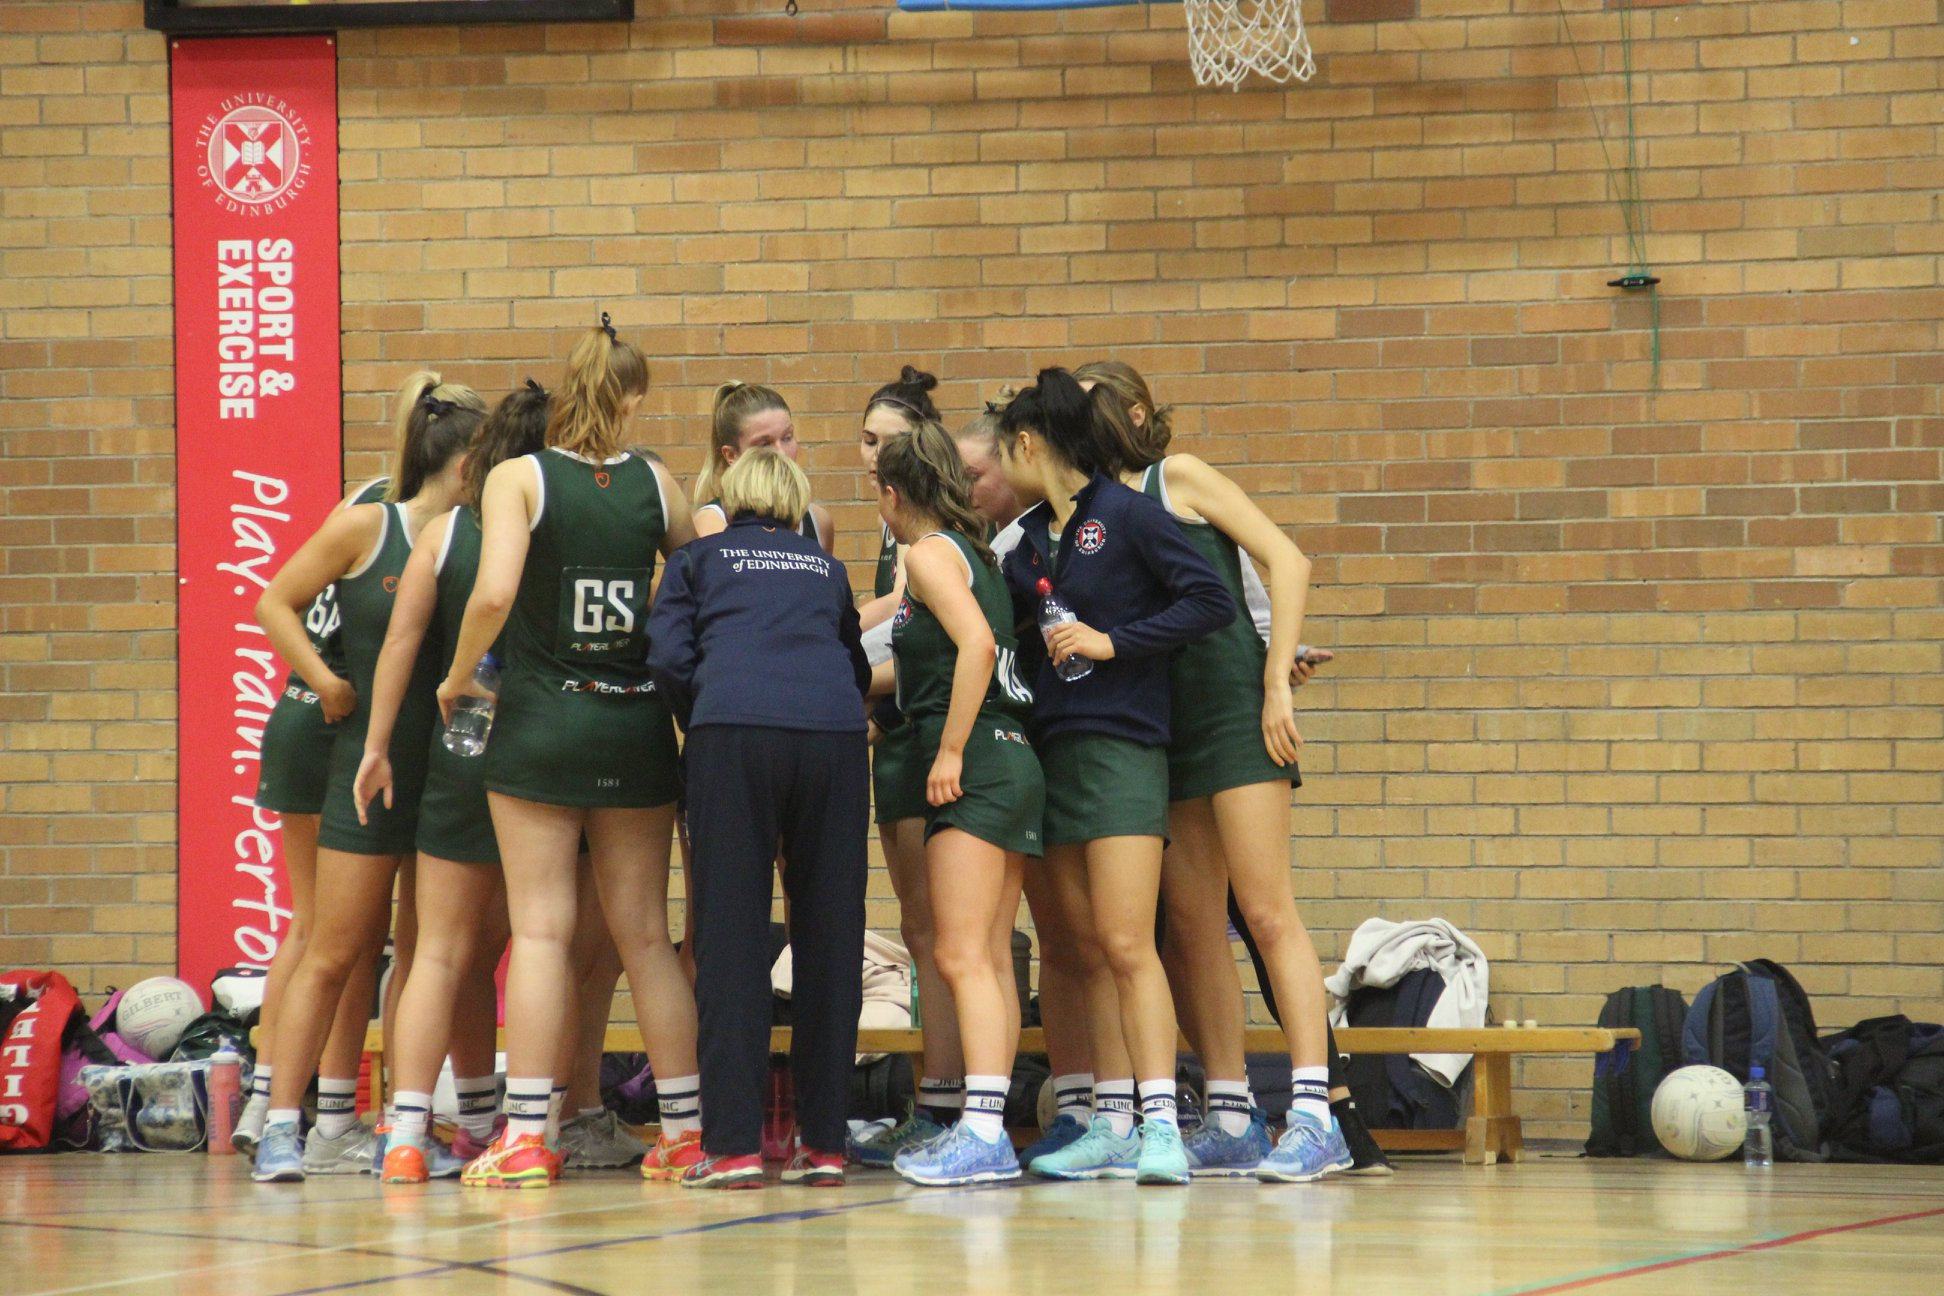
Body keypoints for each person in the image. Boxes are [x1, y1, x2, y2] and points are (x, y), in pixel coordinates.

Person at [1077, 359, 1377, 1180]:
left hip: (1234, 712)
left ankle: (1315, 1117)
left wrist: (1276, 677)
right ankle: (1233, 1113)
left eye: (1094, 405)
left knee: (1268, 912)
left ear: (1138, 411)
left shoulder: (1178, 476)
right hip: (1160, 725)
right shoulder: (1091, 511)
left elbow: (1288, 561)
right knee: (1194, 928)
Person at [437, 318, 702, 1189]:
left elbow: (495, 592)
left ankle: (525, 1138)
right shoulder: (658, 483)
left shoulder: (518, 477)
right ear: (633, 398)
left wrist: (458, 678)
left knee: (542, 933)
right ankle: (685, 1133)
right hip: (634, 726)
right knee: (647, 939)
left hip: (543, 724)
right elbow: (696, 587)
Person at [995, 368, 1235, 1186]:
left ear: (1029, 443)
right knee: (1090, 949)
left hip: (1124, 746)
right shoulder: (1028, 541)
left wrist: (1114, 642)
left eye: (1005, 451)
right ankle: (1112, 1121)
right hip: (1052, 752)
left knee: (1131, 942)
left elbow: (1209, 599)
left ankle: (1162, 1123)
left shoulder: (1129, 513)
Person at [249, 373, 485, 1182]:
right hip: (367, 765)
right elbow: (275, 601)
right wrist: (325, 681)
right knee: (335, 948)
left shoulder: (473, 538)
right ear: (465, 465)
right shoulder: (368, 524)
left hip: (445, 772)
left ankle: (400, 1127)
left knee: (424, 953)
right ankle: (281, 1126)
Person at [647, 448, 871, 1190]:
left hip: (733, 735)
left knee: (731, 940)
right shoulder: (826, 568)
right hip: (833, 740)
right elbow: (854, 665)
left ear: (728, 497)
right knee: (830, 936)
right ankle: (826, 1144)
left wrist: (707, 712)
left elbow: (667, 657)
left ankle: (735, 1146)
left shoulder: (696, 560)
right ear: (796, 502)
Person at [353, 383, 550, 1183]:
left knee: (437, 952)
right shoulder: (565, 524)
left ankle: (406, 1135)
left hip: (460, 749)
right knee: (533, 946)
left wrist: (376, 746)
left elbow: (400, 642)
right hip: (544, 757)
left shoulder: (443, 532)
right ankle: (530, 1124)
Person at [870, 424, 1043, 1186]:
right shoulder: (976, 553)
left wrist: (947, 750)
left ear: (891, 494)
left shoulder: (928, 554)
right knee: (991, 957)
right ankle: (989, 1125)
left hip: (977, 762)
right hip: (1011, 758)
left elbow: (975, 646)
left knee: (961, 953)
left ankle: (981, 1132)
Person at [234, 464, 396, 1157]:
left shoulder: (360, 499)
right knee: (345, 933)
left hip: (296, 715)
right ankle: (324, 1117)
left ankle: (263, 1102)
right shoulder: (401, 520)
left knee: (313, 926)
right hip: (335, 721)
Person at [956, 407, 1096, 1165]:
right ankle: (1076, 1107)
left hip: (1101, 749)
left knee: (1110, 942)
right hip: (1036, 751)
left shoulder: (1081, 527)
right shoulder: (994, 552)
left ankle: (1134, 1108)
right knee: (1059, 941)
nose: (969, 487)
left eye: (977, 473)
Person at [850, 365, 970, 1166]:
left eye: (887, 444)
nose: (873, 457)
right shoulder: (888, 532)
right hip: (892, 744)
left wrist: (841, 661)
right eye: (865, 440)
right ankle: (935, 1100)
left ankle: (955, 1101)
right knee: (920, 929)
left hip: (934, 744)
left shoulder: (935, 542)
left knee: (948, 934)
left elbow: (938, 646)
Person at [692, 381, 834, 552]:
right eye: (764, 444)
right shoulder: (711, 523)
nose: (781, 453)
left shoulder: (819, 521)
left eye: (787, 437)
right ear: (731, 455)